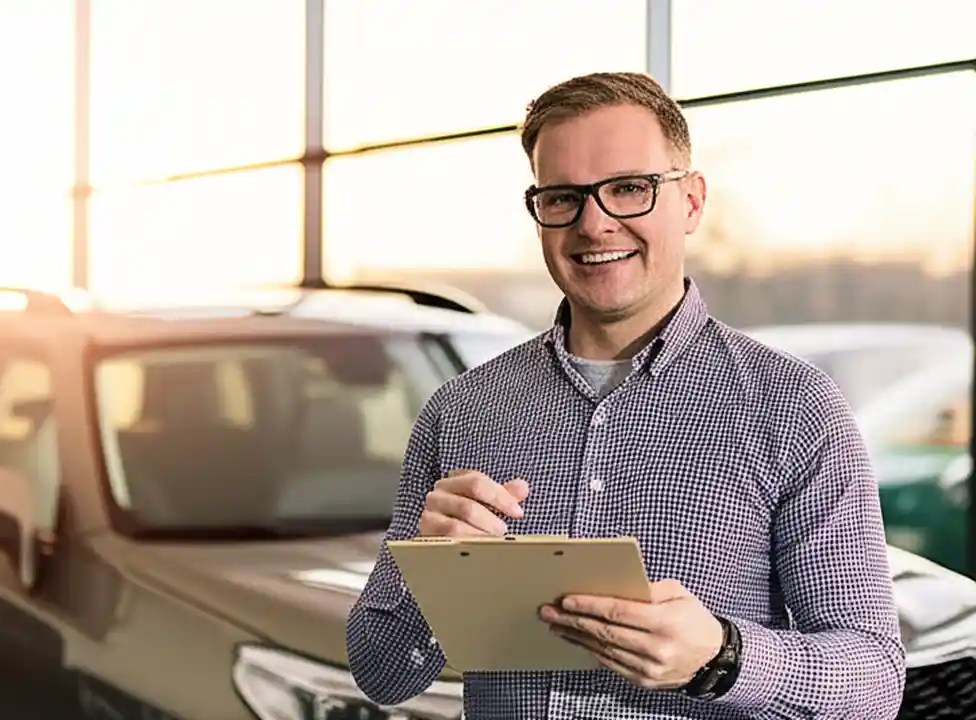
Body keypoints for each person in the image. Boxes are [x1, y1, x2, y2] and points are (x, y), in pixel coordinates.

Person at [346, 71, 905, 719]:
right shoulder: (462, 409)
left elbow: (873, 683)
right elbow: (379, 674)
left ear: (691, 201)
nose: (595, 223)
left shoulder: (793, 405)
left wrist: (722, 658)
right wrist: (427, 571)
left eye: (629, 190)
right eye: (563, 197)